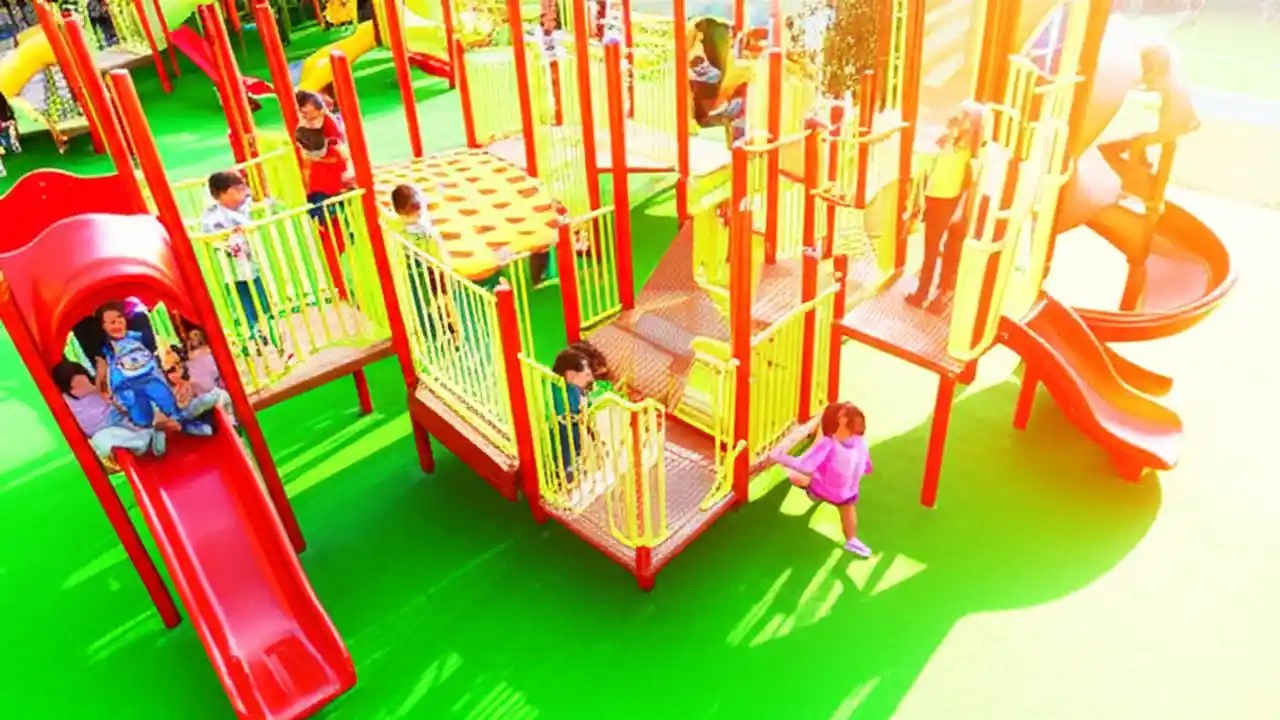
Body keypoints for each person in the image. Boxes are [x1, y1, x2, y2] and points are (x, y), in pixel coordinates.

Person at [95, 301, 215, 436]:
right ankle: (153, 432)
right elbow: (106, 377)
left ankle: (185, 425)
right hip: (129, 386)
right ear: (103, 327)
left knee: (167, 402)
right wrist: (114, 392)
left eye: (119, 318)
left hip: (149, 378)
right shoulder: (107, 350)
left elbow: (157, 356)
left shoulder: (137, 337)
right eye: (111, 322)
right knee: (141, 417)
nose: (117, 324)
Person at [1096, 41, 1199, 198]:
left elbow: (1175, 129)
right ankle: (1137, 181)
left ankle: (1133, 183)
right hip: (1178, 123)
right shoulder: (1170, 82)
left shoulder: (1166, 85)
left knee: (1128, 147)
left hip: (1175, 124)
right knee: (1126, 147)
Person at [771, 402, 874, 557]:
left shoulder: (828, 444)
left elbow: (806, 466)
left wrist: (781, 458)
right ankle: (851, 540)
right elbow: (867, 466)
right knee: (847, 510)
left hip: (822, 488)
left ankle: (801, 484)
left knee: (798, 476)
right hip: (847, 494)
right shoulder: (861, 443)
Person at [907, 101, 981, 313]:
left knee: (933, 249)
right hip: (944, 199)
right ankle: (934, 294)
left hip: (944, 200)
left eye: (963, 117)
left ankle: (923, 294)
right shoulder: (958, 145)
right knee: (938, 249)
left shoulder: (961, 147)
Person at [200, 171, 277, 347]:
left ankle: (269, 328)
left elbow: (260, 201)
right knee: (243, 303)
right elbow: (212, 237)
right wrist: (227, 239)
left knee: (260, 297)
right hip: (232, 271)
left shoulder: (242, 207)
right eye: (238, 190)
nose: (244, 193)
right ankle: (252, 334)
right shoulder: (213, 217)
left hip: (251, 266)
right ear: (223, 193)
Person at [55, 358, 165, 471]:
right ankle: (147, 438)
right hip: (108, 430)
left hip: (116, 418)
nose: (81, 388)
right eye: (74, 386)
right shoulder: (67, 401)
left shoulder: (99, 388)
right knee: (102, 439)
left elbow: (111, 395)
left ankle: (152, 435)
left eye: (82, 381)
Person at [551, 347, 594, 477]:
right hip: (565, 430)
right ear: (570, 375)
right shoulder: (561, 396)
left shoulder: (573, 389)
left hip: (573, 431)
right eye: (584, 372)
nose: (589, 374)